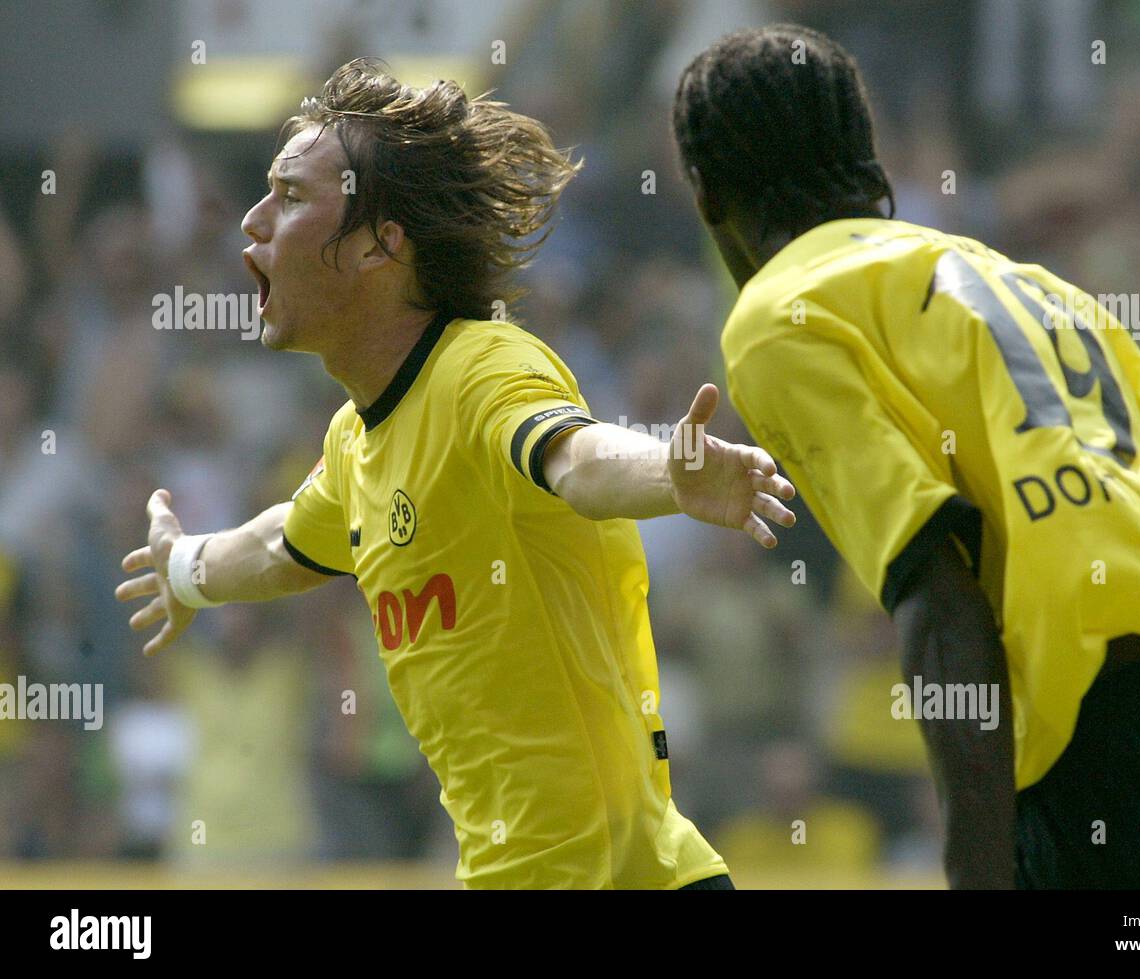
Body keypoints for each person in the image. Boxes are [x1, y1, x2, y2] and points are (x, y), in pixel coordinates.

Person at [116, 59, 797, 890]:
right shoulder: (355, 444)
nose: (252, 222)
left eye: (291, 196)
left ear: (382, 243)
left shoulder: (481, 369)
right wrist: (185, 569)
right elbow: (283, 543)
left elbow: (575, 458)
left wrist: (671, 475)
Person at [672, 24, 1140, 888]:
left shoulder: (781, 315)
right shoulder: (1040, 287)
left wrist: (977, 873)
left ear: (706, 194)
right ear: (865, 153)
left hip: (1112, 757)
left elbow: (939, 597)